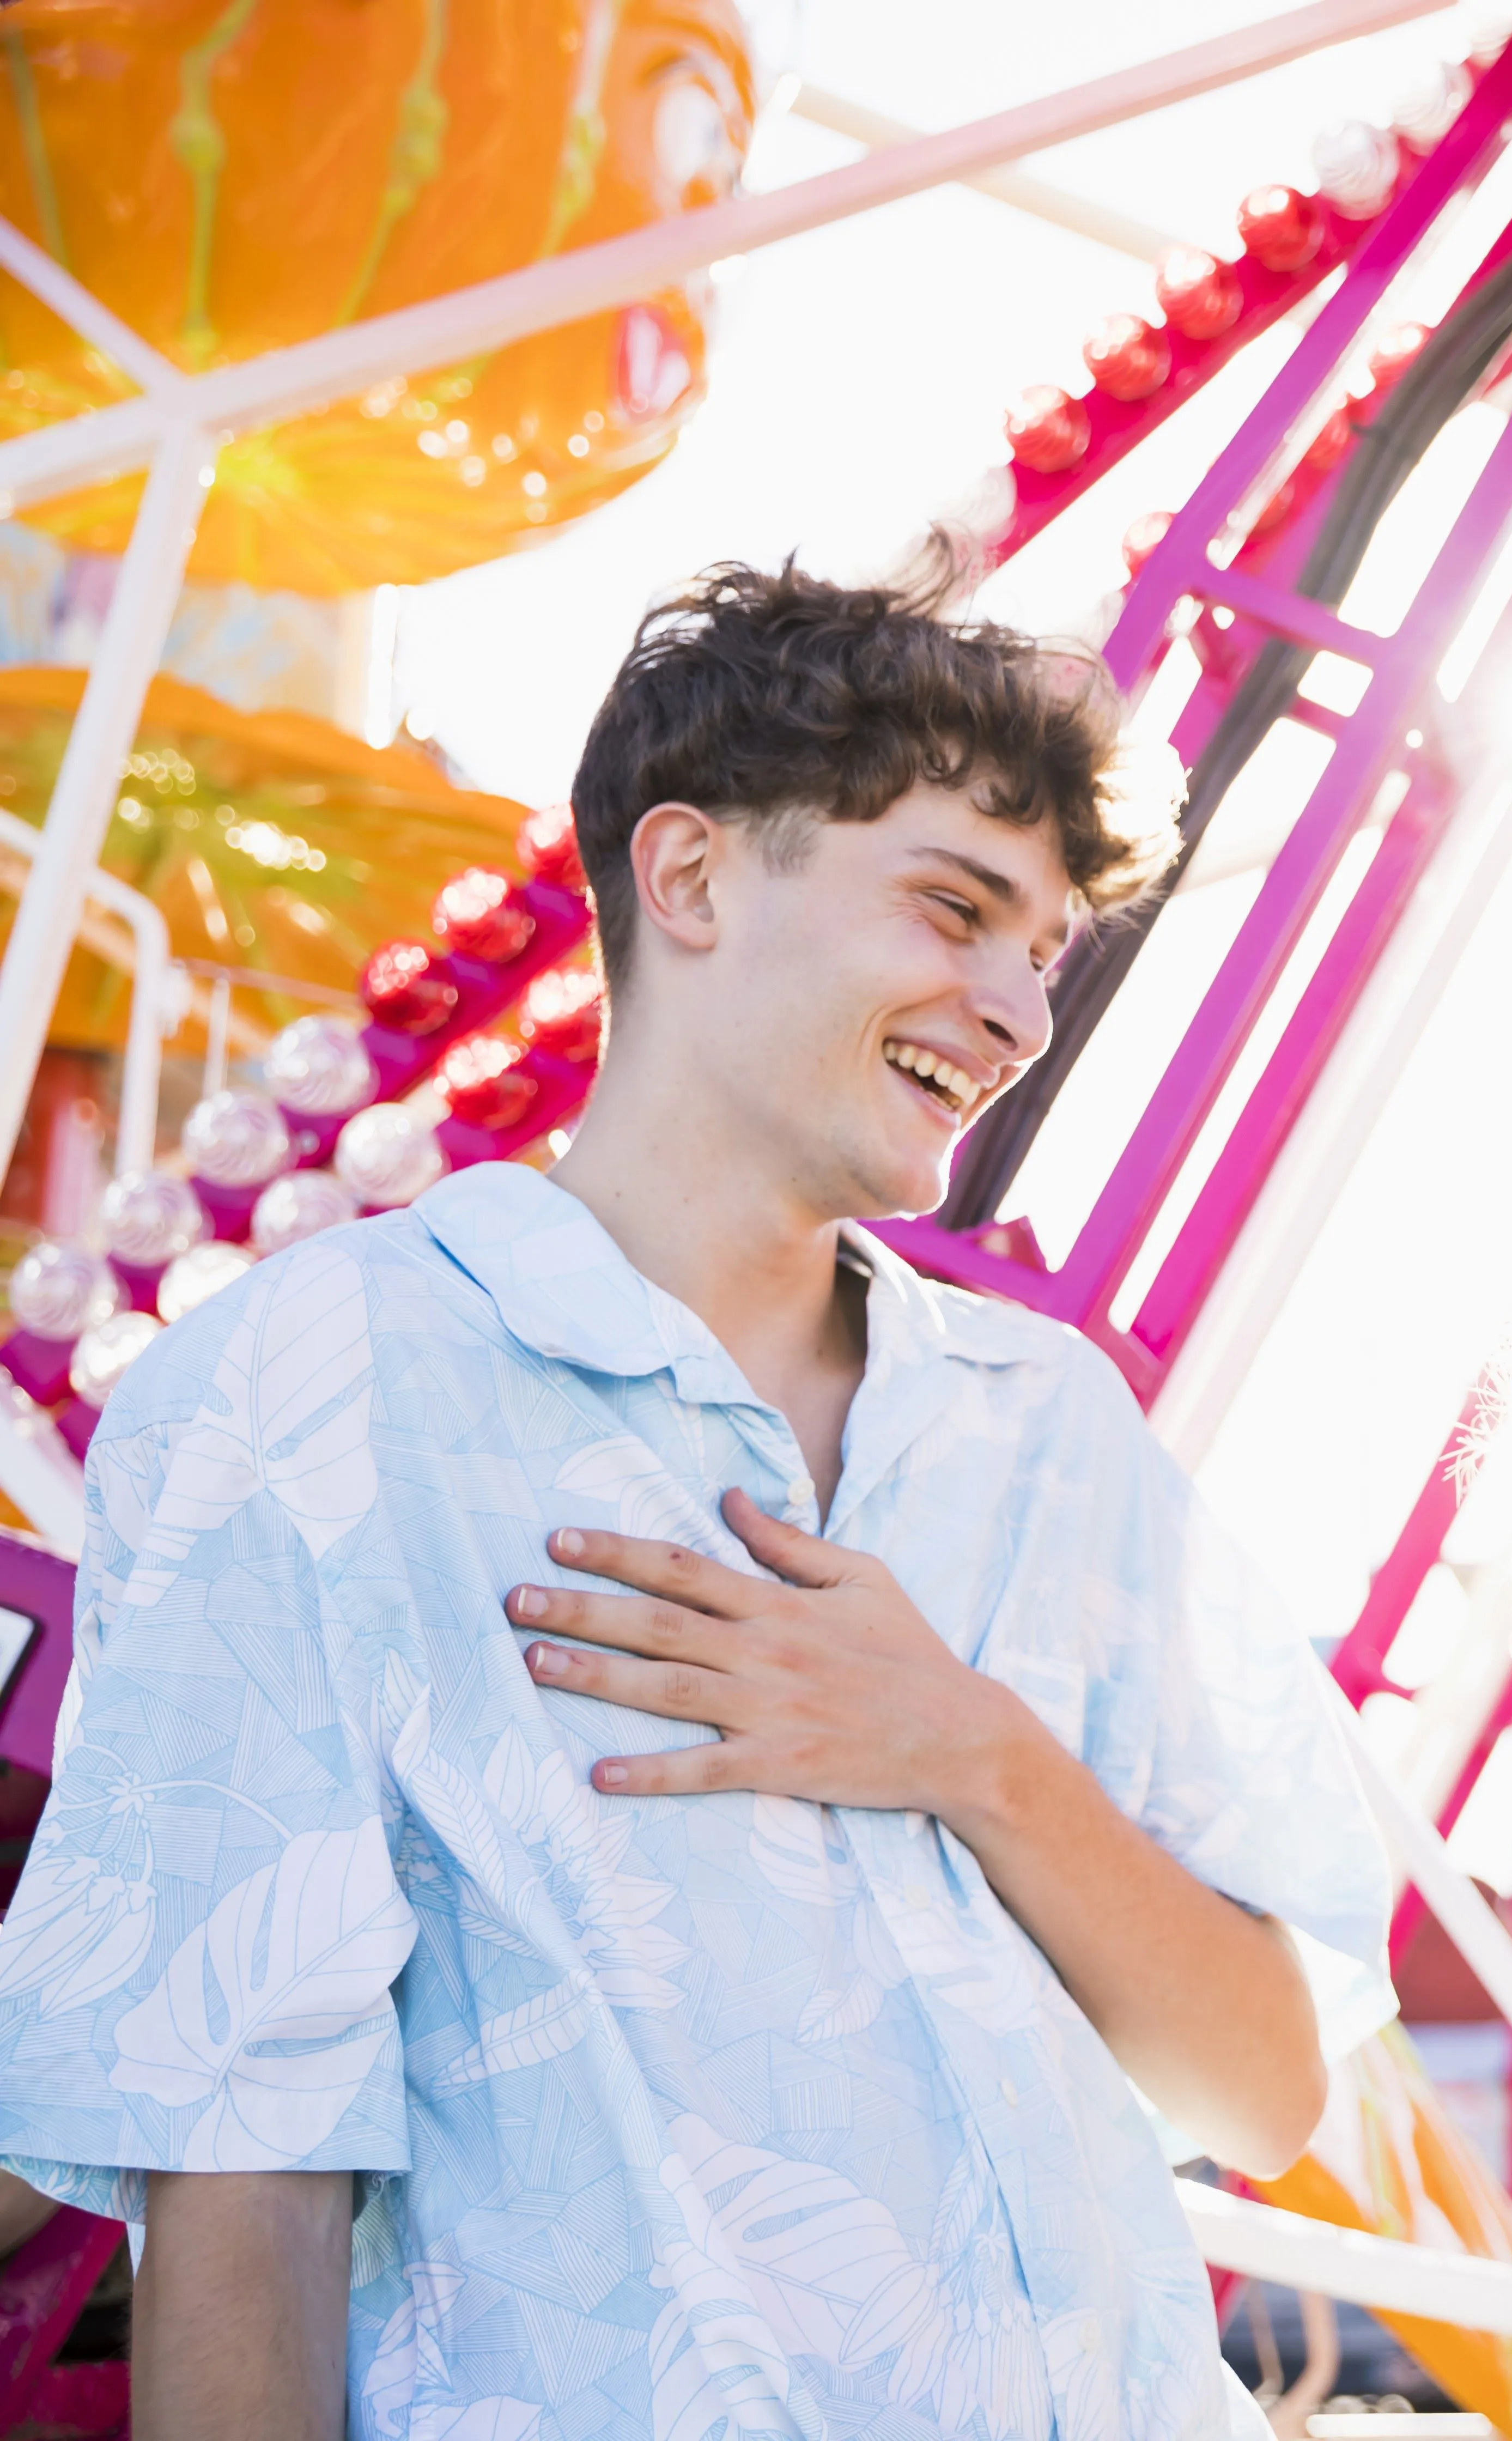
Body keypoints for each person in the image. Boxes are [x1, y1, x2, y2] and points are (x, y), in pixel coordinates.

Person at [0, 567, 1391, 2441]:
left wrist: (972, 1752)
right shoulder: (311, 1388)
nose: (1016, 1012)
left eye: (1046, 954)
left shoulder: (1051, 1424)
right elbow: (239, 2164)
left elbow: (1264, 2093)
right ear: (691, 876)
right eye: (955, 910)